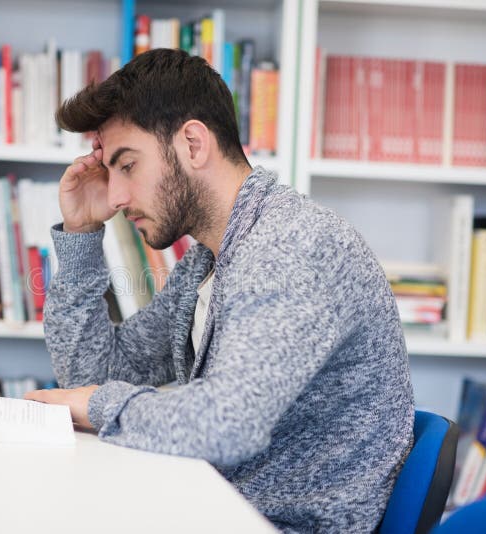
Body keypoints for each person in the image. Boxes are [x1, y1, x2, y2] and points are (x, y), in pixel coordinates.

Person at [24, 48, 414, 533]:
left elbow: (226, 423)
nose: (117, 196)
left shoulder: (291, 245)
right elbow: (94, 373)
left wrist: (102, 403)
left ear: (193, 143)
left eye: (128, 165)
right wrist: (81, 235)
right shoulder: (210, 259)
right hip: (220, 511)